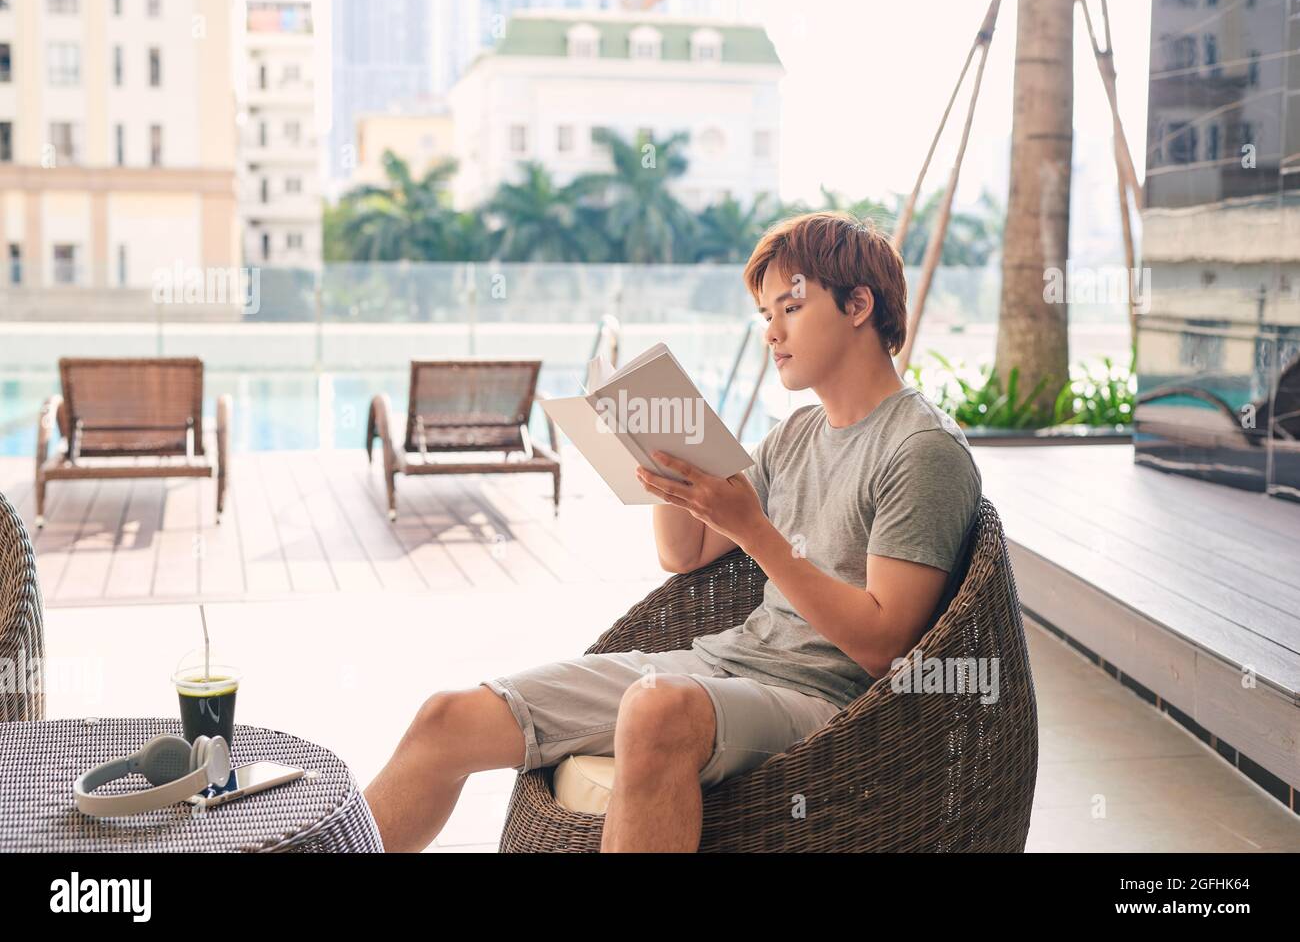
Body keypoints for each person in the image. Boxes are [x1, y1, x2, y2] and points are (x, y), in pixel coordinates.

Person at [364, 211, 982, 852]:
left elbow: (883, 646)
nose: (772, 333)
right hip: (728, 665)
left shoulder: (920, 450)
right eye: (765, 315)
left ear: (859, 305)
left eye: (789, 309)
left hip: (830, 699)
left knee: (654, 709)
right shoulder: (797, 433)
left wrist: (754, 532)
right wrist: (663, 457)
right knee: (447, 719)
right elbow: (682, 554)